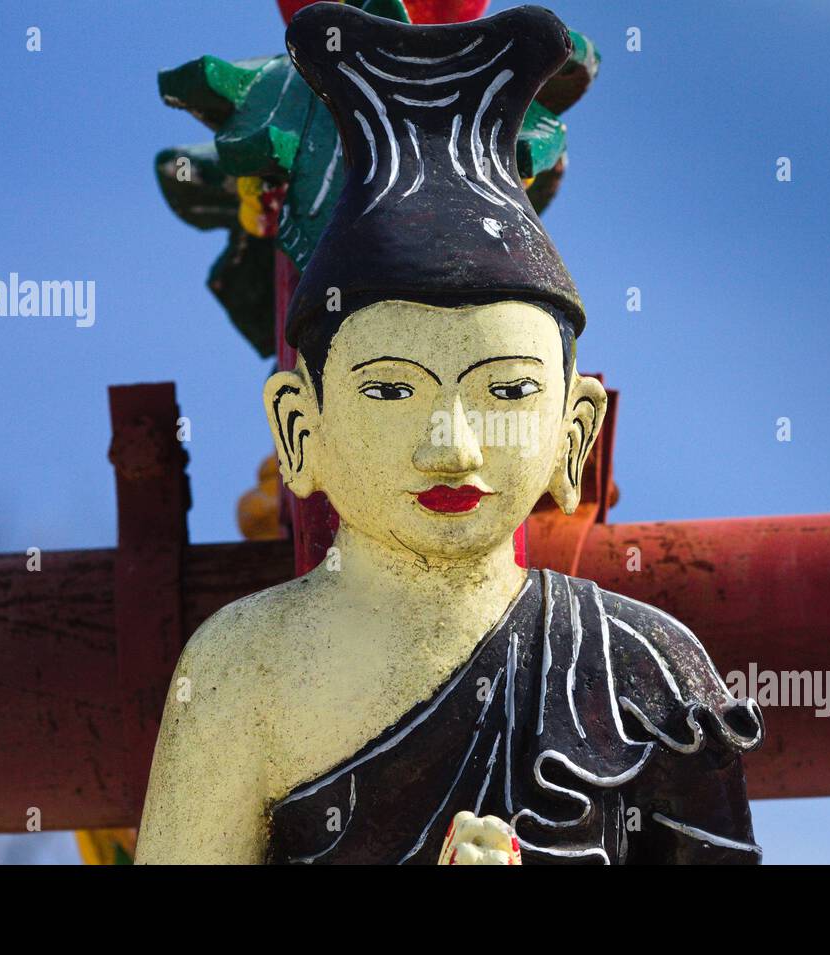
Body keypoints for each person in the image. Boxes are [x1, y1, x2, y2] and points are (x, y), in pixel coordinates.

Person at [136, 2, 763, 865]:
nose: (452, 445)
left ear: (575, 431)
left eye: (507, 389)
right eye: (390, 389)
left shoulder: (647, 674)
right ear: (298, 428)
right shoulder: (244, 673)